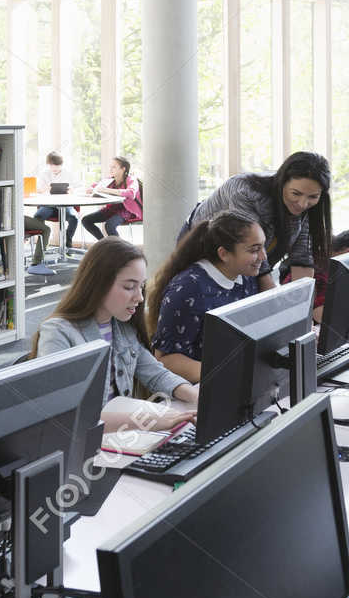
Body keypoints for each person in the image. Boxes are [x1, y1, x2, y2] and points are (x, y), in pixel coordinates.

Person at [33, 236, 197, 432]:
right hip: (84, 441)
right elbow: (64, 415)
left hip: (118, 434)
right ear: (98, 284)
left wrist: (195, 397)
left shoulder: (123, 328)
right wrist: (150, 420)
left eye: (141, 286)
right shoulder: (58, 333)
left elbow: (156, 374)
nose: (140, 297)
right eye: (129, 287)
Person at [182, 151, 332, 292]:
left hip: (251, 257)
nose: (302, 204)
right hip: (206, 247)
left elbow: (302, 259)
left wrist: (302, 305)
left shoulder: (307, 208)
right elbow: (251, 248)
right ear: (282, 181)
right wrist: (277, 306)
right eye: (295, 194)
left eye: (312, 197)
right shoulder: (245, 192)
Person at [147, 210, 267, 383]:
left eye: (263, 246)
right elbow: (166, 359)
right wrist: (230, 374)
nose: (263, 257)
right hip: (197, 391)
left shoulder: (245, 276)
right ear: (223, 254)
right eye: (254, 250)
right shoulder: (189, 288)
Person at [79, 156, 144, 243]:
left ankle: (120, 250)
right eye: (110, 167)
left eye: (114, 167)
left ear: (123, 169)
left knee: (109, 225)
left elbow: (131, 193)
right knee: (86, 220)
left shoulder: (131, 179)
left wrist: (106, 190)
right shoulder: (110, 180)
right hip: (112, 209)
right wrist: (90, 188)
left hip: (128, 210)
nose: (110, 169)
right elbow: (96, 185)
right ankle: (104, 244)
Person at [31, 151, 76, 249]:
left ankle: (67, 242)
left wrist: (72, 190)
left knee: (74, 218)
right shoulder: (44, 174)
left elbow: (78, 188)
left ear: (61, 164)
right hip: (49, 205)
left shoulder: (68, 173)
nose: (54, 168)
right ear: (48, 165)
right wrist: (45, 189)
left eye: (57, 165)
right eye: (52, 165)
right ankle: (42, 246)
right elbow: (37, 190)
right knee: (38, 216)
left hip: (65, 204)